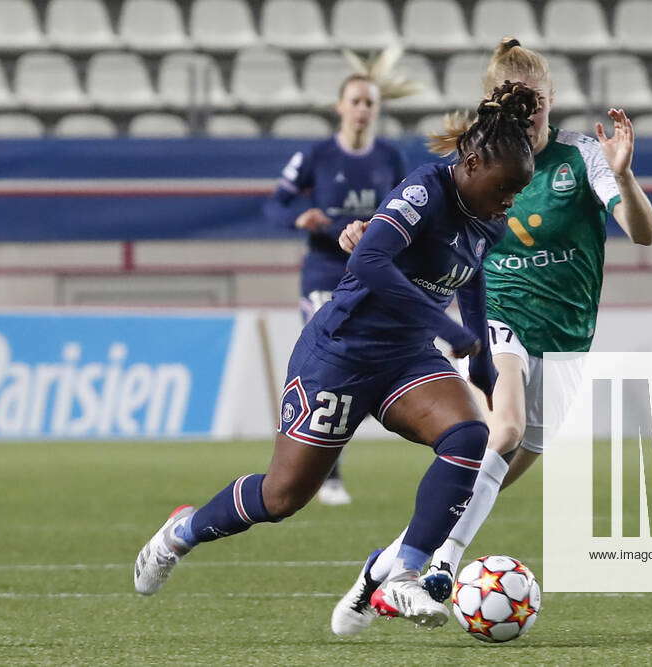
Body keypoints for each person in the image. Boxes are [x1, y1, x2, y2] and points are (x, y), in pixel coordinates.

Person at [134, 81, 541, 632]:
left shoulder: (487, 215)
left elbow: (471, 277)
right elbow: (369, 264)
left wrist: (482, 363)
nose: (510, 200)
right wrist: (445, 328)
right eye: (506, 187)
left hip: (405, 358)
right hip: (340, 353)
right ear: (470, 163)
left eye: (517, 190)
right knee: (282, 496)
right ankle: (181, 532)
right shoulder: (424, 192)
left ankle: (403, 577)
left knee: (468, 436)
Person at [332, 37, 652, 633]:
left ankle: (382, 565)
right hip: (495, 313)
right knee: (498, 429)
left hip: (565, 333)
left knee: (506, 466)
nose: (533, 112)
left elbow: (643, 234)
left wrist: (625, 177)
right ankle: (436, 570)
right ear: (497, 103)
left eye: (541, 101)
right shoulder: (474, 164)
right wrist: (364, 233)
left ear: (553, 100)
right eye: (523, 102)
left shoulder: (581, 156)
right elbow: (410, 222)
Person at [263, 49, 412, 505]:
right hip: (325, 271)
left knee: (366, 367)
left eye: (370, 103)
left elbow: (411, 209)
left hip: (375, 273)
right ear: (340, 107)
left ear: (377, 110)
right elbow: (274, 205)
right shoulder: (316, 155)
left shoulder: (391, 157)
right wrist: (299, 218)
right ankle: (326, 473)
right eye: (356, 101)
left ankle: (327, 449)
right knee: (333, 358)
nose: (363, 110)